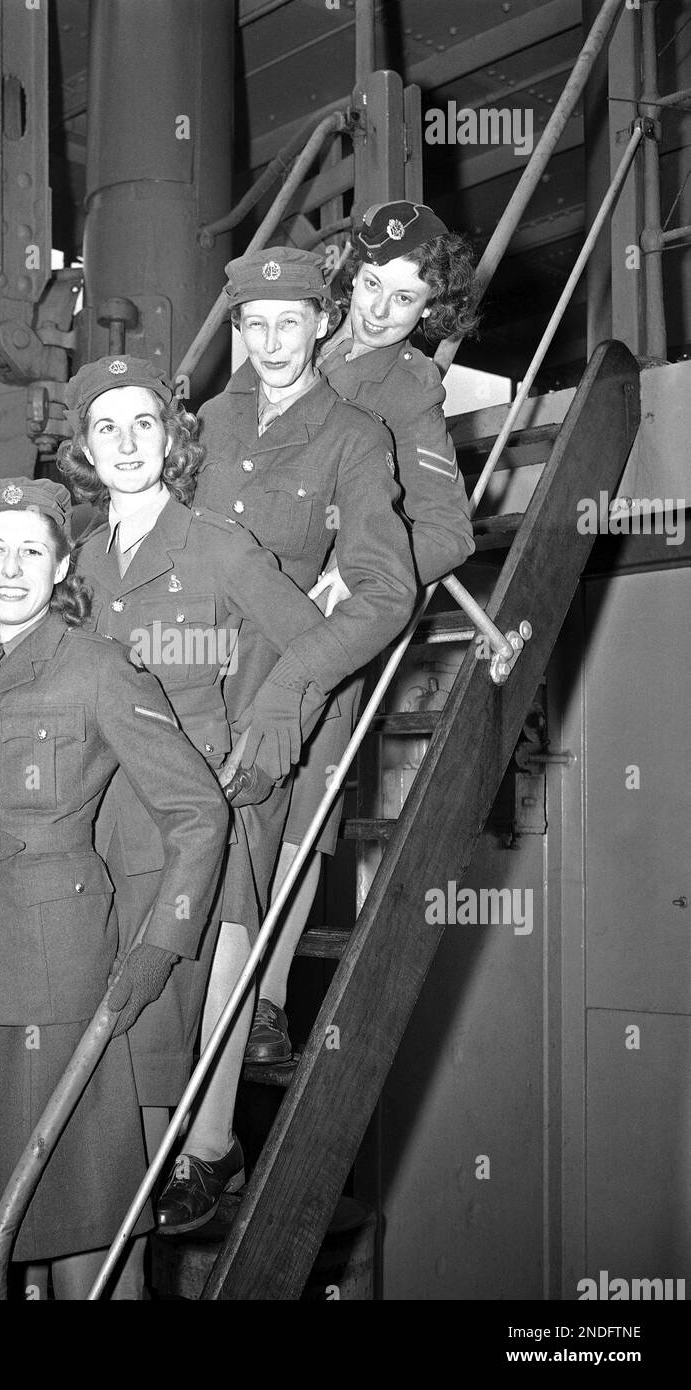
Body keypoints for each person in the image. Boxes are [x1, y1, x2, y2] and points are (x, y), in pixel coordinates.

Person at [0, 476, 228, 1298]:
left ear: (61, 564)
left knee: (86, 1226)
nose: (12, 568)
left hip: (58, 981)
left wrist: (159, 948)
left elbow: (198, 811)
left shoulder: (100, 670)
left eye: (32, 551)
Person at [154, 246, 417, 1231]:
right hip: (188, 683)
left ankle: (210, 1145)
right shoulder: (203, 424)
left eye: (287, 322)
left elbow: (387, 587)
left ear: (321, 321)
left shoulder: (356, 437)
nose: (268, 343)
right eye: (250, 325)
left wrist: (296, 685)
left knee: (232, 913)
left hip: (284, 696)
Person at [59, 354, 334, 1223]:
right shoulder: (76, 564)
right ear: (86, 451)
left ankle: (210, 1151)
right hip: (105, 805)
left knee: (218, 975)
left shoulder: (218, 546)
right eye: (107, 427)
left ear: (174, 438)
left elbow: (314, 645)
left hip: (208, 794)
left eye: (144, 423)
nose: (127, 443)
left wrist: (268, 744)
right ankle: (123, 1158)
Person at [248, 205, 480, 1066]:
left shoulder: (410, 390)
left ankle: (263, 1003)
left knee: (301, 812)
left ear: (431, 313)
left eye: (408, 300)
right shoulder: (292, 343)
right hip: (240, 613)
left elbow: (448, 533)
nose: (381, 311)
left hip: (319, 627)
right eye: (374, 286)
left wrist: (360, 566)